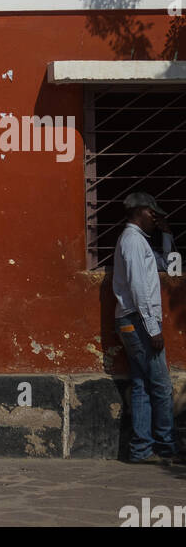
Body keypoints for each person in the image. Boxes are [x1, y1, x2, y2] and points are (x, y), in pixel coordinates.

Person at [113, 191, 183, 464]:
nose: (155, 216)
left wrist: (165, 235)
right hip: (138, 322)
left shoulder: (139, 242)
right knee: (161, 385)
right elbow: (139, 288)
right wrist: (153, 328)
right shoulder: (132, 241)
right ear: (138, 211)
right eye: (151, 212)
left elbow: (166, 264)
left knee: (142, 384)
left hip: (133, 320)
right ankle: (165, 447)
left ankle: (141, 449)